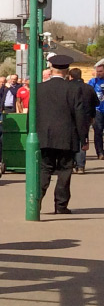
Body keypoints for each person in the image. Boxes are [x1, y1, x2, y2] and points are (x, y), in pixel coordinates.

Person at [36, 53, 93, 214]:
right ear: (67, 70)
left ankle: (37, 200)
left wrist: (31, 133)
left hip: (44, 136)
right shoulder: (74, 89)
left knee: (44, 169)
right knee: (64, 170)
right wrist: (84, 139)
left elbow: (32, 114)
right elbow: (80, 115)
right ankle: (60, 205)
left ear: (51, 68)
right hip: (67, 136)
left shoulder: (39, 88)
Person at [70, 66, 99, 173]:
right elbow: (96, 102)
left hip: (71, 118)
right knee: (83, 140)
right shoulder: (89, 88)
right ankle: (81, 165)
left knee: (72, 140)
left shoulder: (68, 87)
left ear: (71, 77)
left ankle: (72, 163)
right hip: (86, 118)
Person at [90, 60, 104, 161]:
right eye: (97, 71)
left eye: (101, 71)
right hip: (97, 110)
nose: (98, 73)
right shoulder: (93, 82)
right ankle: (100, 152)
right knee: (98, 132)